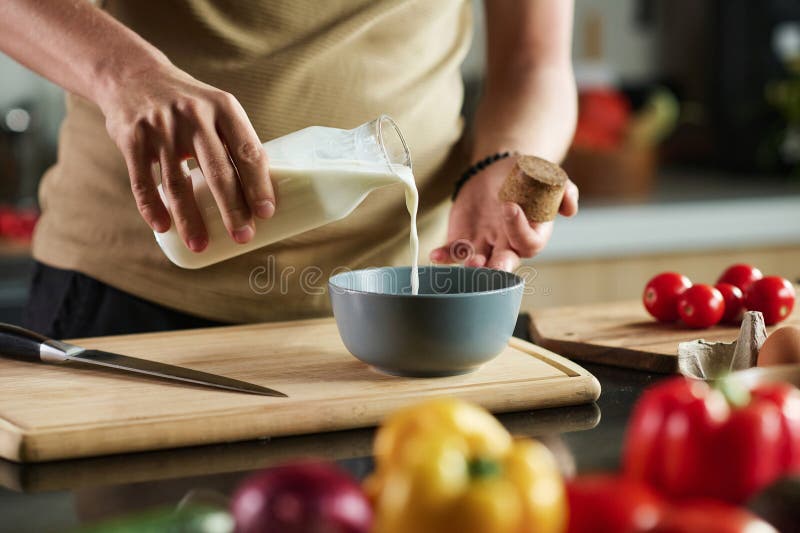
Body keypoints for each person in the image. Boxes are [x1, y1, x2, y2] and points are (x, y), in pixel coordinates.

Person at [0, 0, 578, 338]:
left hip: (408, 295)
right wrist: (122, 73)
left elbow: (535, 61)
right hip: (135, 294)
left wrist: (504, 161)